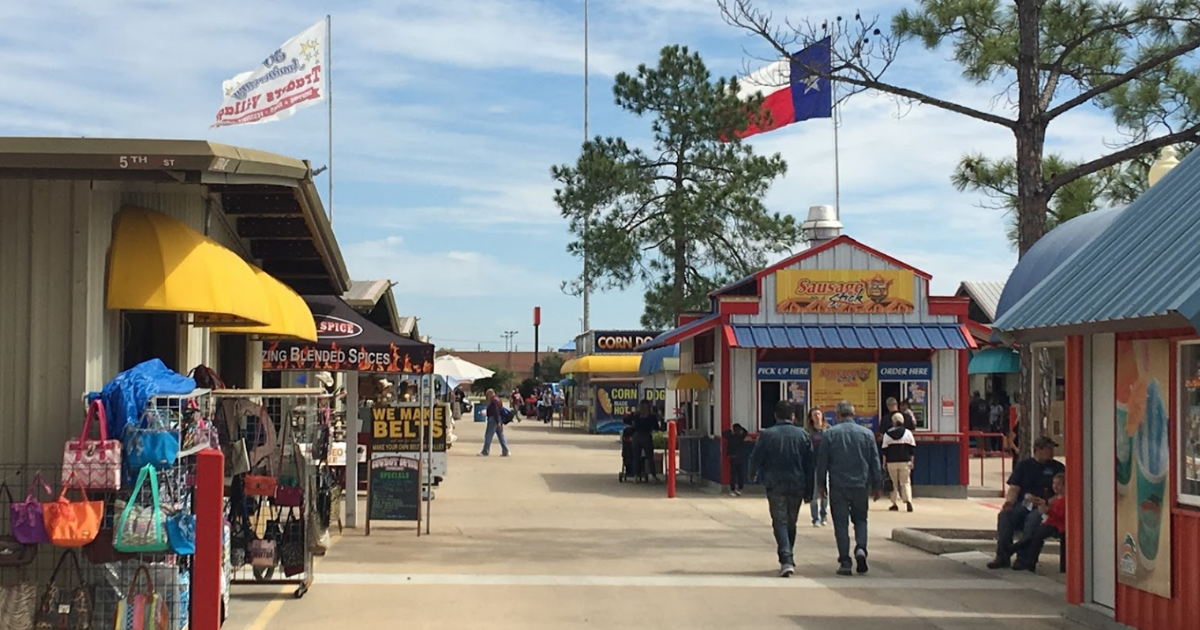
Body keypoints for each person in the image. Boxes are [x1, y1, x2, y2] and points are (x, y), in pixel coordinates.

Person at [748, 400, 815, 578]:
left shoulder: (767, 435)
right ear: (793, 416)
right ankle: (788, 556)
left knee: (780, 522)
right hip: (797, 484)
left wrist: (752, 473)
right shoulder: (803, 435)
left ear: (775, 416)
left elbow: (756, 457)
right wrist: (810, 490)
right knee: (791, 522)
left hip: (775, 484)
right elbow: (810, 465)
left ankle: (786, 558)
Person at [816, 400, 884, 576]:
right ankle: (861, 548)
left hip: (838, 485)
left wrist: (821, 484)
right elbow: (875, 462)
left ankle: (845, 561)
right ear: (854, 415)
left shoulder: (830, 434)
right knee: (861, 520)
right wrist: (877, 485)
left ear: (837, 415)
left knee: (841, 524)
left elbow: (822, 462)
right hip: (861, 485)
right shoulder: (867, 434)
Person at [988, 436, 1065, 570]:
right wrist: (1009, 502)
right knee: (1005, 517)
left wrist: (1045, 502)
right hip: (1024, 503)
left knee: (1033, 519)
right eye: (1048, 449)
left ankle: (1023, 559)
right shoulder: (1024, 466)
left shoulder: (1058, 468)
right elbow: (1014, 487)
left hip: (1045, 506)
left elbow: (1062, 493)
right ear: (1037, 450)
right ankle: (1002, 556)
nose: (1051, 452)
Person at [1013, 472, 1066, 572]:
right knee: (1035, 534)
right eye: (1054, 484)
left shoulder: (1065, 499)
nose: (1055, 487)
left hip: (1058, 525)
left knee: (1037, 535)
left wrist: (1047, 511)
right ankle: (1025, 554)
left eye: (1059, 484)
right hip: (1051, 523)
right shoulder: (1057, 498)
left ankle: (1020, 550)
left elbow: (1060, 516)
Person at [881, 412, 916, 512]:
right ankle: (908, 501)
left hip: (891, 462)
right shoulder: (908, 433)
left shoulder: (887, 434)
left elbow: (885, 450)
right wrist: (912, 461)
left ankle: (894, 503)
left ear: (893, 422)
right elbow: (912, 449)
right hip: (905, 461)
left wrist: (884, 463)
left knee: (893, 483)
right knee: (905, 482)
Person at [806, 407, 829, 527]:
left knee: (825, 493)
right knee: (814, 493)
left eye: (818, 414)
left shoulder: (828, 430)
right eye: (814, 414)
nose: (817, 416)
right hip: (814, 465)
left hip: (827, 466)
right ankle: (815, 518)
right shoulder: (808, 432)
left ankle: (824, 515)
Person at [631, 400, 661, 479]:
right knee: (650, 457)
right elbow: (656, 428)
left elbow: (632, 425)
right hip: (646, 437)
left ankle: (636, 476)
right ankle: (653, 475)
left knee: (636, 457)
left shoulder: (637, 415)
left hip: (636, 436)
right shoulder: (652, 416)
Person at [480, 388, 510, 457]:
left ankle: (485, 451)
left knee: (488, 435)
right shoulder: (498, 400)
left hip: (493, 419)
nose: (487, 397)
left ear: (490, 394)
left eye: (487, 395)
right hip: (498, 419)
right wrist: (499, 421)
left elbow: (495, 411)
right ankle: (505, 451)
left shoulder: (493, 401)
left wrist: (497, 421)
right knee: (501, 436)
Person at [723, 423, 750, 496]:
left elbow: (724, 433)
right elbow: (746, 432)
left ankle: (732, 489)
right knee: (740, 474)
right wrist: (741, 429)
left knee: (733, 474)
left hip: (732, 457)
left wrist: (730, 430)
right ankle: (740, 488)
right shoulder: (740, 437)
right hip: (739, 457)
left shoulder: (730, 436)